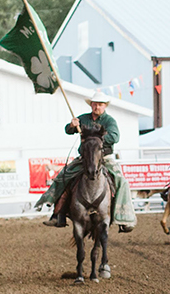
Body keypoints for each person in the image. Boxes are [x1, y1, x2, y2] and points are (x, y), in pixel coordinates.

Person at [35, 89, 136, 231]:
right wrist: (72, 125)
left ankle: (123, 218)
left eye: (100, 104)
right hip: (84, 158)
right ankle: (57, 214)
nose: (97, 107)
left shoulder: (109, 121)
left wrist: (95, 140)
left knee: (122, 181)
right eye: (95, 104)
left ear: (105, 106)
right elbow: (67, 130)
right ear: (91, 105)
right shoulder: (83, 119)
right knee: (64, 175)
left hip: (104, 158)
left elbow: (115, 137)